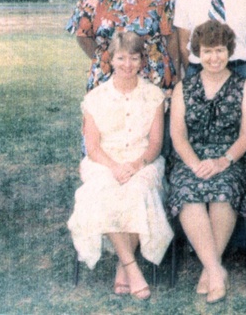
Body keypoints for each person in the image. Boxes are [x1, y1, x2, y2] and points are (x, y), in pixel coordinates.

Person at [67, 32, 173, 301]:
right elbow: (93, 148)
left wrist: (136, 165)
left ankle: (122, 263)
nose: (127, 64)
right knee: (104, 192)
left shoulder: (153, 95)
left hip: (143, 161)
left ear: (142, 61)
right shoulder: (96, 97)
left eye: (134, 58)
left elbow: (156, 144)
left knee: (137, 192)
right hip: (103, 162)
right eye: (121, 58)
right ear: (111, 59)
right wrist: (114, 167)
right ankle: (130, 266)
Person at [167, 21, 246, 304]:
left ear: (229, 51)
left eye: (220, 50)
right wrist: (195, 165)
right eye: (208, 51)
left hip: (232, 159)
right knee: (187, 193)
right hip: (190, 159)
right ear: (197, 52)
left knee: (224, 192)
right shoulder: (184, 87)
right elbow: (177, 136)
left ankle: (210, 269)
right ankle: (216, 271)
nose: (214, 57)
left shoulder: (245, 87)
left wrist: (223, 161)